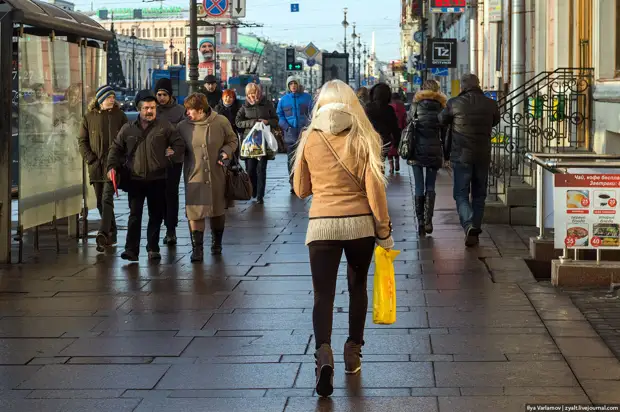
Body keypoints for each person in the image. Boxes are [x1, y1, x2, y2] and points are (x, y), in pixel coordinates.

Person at [292, 79, 394, 398]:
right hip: (360, 228)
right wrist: (384, 230)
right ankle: (353, 351)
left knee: (323, 294)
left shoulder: (310, 137)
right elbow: (375, 191)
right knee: (357, 287)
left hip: (322, 225)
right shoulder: (364, 136)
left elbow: (300, 189)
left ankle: (324, 353)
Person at [107, 90, 185, 262]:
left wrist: (172, 155)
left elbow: (179, 143)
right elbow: (115, 148)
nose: (150, 111)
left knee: (155, 215)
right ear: (139, 109)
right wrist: (111, 167)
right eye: (146, 108)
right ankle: (131, 250)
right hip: (135, 179)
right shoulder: (128, 128)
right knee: (134, 215)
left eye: (153, 108)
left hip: (158, 179)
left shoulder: (164, 126)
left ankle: (153, 247)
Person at [439, 73, 500, 247]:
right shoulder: (490, 103)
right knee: (479, 194)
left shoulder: (454, 103)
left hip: (461, 154)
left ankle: (468, 224)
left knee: (461, 193)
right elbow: (495, 121)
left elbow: (441, 119)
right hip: (483, 154)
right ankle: (475, 229)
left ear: (463, 86)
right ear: (478, 84)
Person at [178, 93, 238, 262]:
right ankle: (197, 249)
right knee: (195, 213)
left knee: (217, 212)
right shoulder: (183, 126)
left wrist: (226, 152)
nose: (188, 113)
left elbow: (233, 140)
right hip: (195, 174)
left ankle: (217, 244)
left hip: (217, 173)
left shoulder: (220, 121)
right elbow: (176, 145)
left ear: (201, 110)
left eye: (191, 110)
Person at [78, 84, 128, 252]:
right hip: (95, 166)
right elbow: (82, 141)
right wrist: (90, 159)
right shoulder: (88, 117)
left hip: (113, 166)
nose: (111, 100)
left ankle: (103, 233)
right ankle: (111, 234)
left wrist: (120, 161)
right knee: (100, 202)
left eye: (113, 97)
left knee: (107, 198)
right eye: (108, 97)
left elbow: (128, 139)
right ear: (99, 100)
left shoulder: (120, 116)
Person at [407, 80, 447, 236]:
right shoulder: (441, 107)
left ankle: (421, 223)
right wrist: (446, 153)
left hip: (416, 150)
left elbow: (408, 123)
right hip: (434, 150)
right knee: (430, 185)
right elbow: (444, 132)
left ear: (422, 89)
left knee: (418, 186)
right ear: (437, 90)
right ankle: (429, 221)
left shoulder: (415, 105)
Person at [155, 78, 186, 246]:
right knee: (159, 194)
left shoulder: (180, 111)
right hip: (157, 159)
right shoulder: (153, 110)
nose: (161, 98)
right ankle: (160, 228)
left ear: (170, 95)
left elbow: (183, 136)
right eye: (158, 94)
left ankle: (171, 229)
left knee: (171, 193)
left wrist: (175, 150)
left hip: (174, 159)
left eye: (164, 94)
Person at [235, 83, 278, 204]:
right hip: (249, 142)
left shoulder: (267, 104)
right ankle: (252, 190)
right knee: (250, 169)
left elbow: (275, 120)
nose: (252, 97)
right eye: (249, 94)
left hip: (263, 141)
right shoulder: (244, 106)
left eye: (254, 94)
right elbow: (238, 122)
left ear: (259, 93)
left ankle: (260, 196)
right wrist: (252, 122)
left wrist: (267, 121)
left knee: (261, 169)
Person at [276, 75, 312, 193]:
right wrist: (286, 127)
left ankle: (303, 181)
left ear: (298, 84)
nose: (293, 86)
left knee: (304, 158)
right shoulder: (284, 100)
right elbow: (280, 115)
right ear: (288, 86)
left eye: (295, 84)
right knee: (291, 159)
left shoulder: (307, 98)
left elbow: (312, 113)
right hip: (290, 134)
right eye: (291, 84)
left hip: (304, 133)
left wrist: (307, 127)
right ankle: (293, 182)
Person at [365, 83, 401, 169]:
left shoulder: (368, 107)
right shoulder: (389, 109)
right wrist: (397, 141)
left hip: (370, 140)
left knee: (372, 164)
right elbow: (394, 127)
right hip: (385, 140)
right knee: (381, 162)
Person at [214, 89, 242, 158]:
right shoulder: (217, 108)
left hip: (233, 134)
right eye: (226, 96)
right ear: (222, 97)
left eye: (230, 97)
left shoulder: (238, 108)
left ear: (233, 99)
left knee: (233, 154)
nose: (228, 99)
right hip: (220, 134)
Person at [388, 92, 407, 174]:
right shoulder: (402, 106)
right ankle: (397, 162)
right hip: (399, 129)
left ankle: (391, 166)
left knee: (389, 148)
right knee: (397, 146)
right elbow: (404, 118)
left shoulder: (389, 106)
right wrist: (404, 127)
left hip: (389, 129)